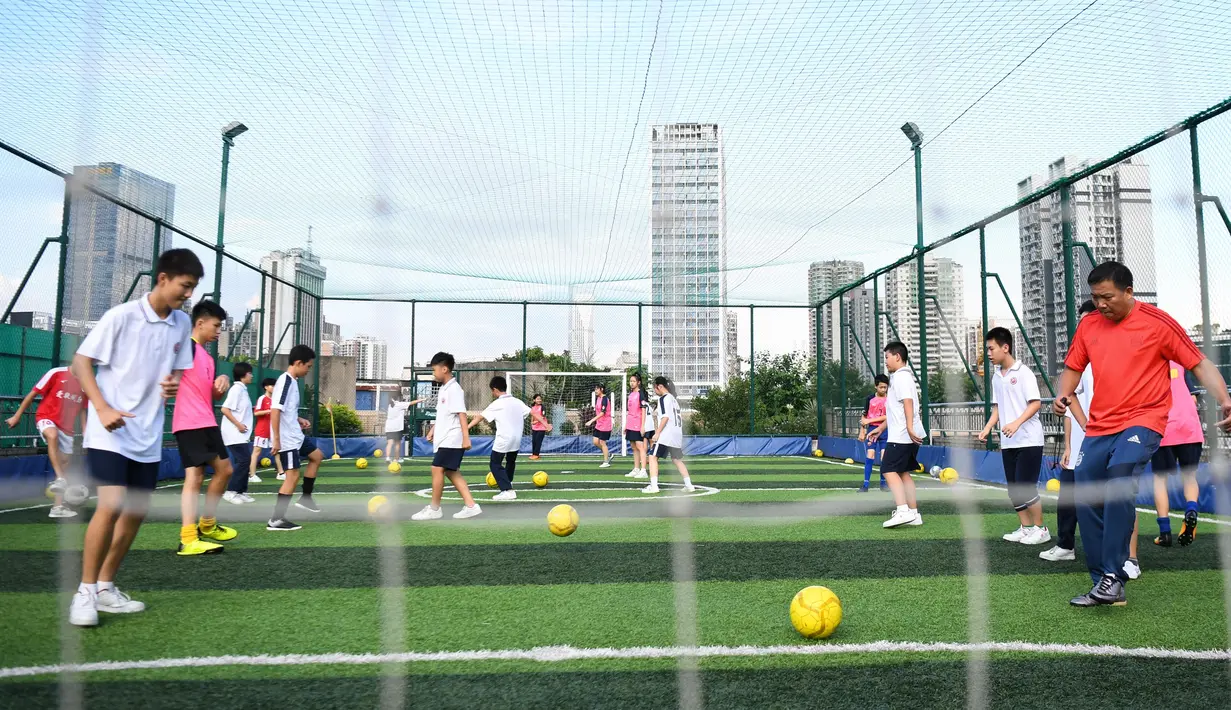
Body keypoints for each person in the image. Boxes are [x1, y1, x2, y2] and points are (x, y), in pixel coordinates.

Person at [1054, 261, 1231, 607]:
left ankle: (1113, 575)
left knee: (1119, 480)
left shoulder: (1157, 323)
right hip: (1100, 426)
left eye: (1107, 297)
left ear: (1128, 291)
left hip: (1144, 420)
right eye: (1095, 297)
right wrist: (1064, 395)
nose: (1101, 304)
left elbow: (1198, 363)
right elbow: (1073, 369)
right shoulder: (1089, 325)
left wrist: (1225, 399)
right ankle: (1103, 584)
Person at [68, 248, 199, 626]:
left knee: (134, 513)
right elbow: (81, 362)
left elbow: (173, 372)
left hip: (147, 434)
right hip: (110, 430)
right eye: (184, 286)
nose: (187, 294)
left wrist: (171, 385)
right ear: (162, 279)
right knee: (111, 504)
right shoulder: (121, 316)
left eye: (192, 288)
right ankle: (84, 592)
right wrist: (103, 407)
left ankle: (106, 587)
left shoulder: (179, 325)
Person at [172, 300, 238, 555]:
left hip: (207, 421)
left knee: (225, 470)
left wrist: (222, 381)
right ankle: (188, 538)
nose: (219, 331)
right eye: (216, 325)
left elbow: (211, 396)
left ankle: (207, 525)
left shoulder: (207, 358)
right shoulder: (184, 348)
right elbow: (166, 376)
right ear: (200, 323)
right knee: (195, 477)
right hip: (189, 423)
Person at [978, 327, 1049, 546]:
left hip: (1029, 440)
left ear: (1005, 347)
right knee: (1013, 488)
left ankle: (1041, 528)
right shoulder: (997, 377)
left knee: (1025, 487)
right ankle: (1026, 528)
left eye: (991, 349)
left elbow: (1035, 403)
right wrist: (989, 427)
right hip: (1009, 442)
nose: (988, 354)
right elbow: (998, 408)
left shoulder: (1023, 372)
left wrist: (1017, 423)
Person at [1041, 300, 1096, 563]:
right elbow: (1067, 398)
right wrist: (1069, 445)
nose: (1085, 324)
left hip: (1105, 443)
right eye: (1083, 320)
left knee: (1108, 502)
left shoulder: (1111, 357)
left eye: (1090, 318)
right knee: (1067, 500)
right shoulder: (1081, 360)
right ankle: (1065, 546)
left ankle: (1125, 558)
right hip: (1082, 445)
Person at [6, 365, 86, 518]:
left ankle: (57, 507)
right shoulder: (56, 373)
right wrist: (17, 416)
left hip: (68, 429)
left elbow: (83, 409)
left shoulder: (86, 382)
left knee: (65, 464)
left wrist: (86, 432)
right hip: (46, 417)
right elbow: (33, 393)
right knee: (52, 435)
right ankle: (61, 478)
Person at [412, 352, 482, 520]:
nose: (433, 373)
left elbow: (461, 414)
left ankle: (434, 509)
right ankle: (471, 506)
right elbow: (445, 414)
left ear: (444, 369)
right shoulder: (444, 389)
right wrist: (433, 429)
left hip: (453, 439)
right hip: (445, 438)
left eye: (434, 369)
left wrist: (466, 438)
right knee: (452, 472)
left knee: (437, 468)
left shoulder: (455, 389)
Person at [267, 345, 324, 531]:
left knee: (317, 456)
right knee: (292, 476)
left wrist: (298, 419)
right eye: (308, 366)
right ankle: (276, 519)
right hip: (287, 439)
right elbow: (275, 410)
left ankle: (305, 499)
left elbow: (285, 410)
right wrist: (276, 439)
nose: (309, 370)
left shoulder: (292, 381)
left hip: (295, 435)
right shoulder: (285, 381)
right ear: (298, 363)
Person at [468, 376, 551, 501]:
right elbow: (533, 413)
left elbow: (480, 417)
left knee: (495, 463)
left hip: (504, 438)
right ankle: (508, 483)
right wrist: (546, 424)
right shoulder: (517, 401)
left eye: (492, 391)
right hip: (517, 438)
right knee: (510, 461)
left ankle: (507, 490)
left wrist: (466, 428)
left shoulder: (497, 404)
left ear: (495, 389)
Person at [872, 341, 926, 528]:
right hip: (907, 434)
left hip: (903, 436)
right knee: (903, 473)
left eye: (887, 357)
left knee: (887, 469)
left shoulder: (901, 377)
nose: (885, 361)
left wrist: (909, 428)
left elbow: (908, 403)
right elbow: (896, 410)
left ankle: (902, 510)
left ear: (897, 357)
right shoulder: (901, 377)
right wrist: (881, 428)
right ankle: (913, 513)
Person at [1150, 361, 1204, 547]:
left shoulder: (1146, 363)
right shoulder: (1180, 364)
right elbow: (1194, 399)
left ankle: (1165, 533)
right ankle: (1191, 510)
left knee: (1159, 479)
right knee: (1189, 477)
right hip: (1189, 427)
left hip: (1163, 427)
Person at [641, 377, 695, 494]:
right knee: (676, 460)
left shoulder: (664, 398)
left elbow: (665, 417)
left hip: (667, 433)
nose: (655, 391)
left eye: (655, 388)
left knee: (652, 457)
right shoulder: (674, 400)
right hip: (676, 434)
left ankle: (654, 486)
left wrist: (657, 432)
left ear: (660, 386)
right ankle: (689, 485)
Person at [222, 362, 256, 505]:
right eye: (250, 373)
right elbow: (225, 409)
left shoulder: (243, 390)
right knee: (244, 461)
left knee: (245, 461)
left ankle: (241, 492)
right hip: (234, 433)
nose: (252, 375)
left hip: (241, 434)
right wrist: (238, 424)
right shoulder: (236, 389)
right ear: (243, 374)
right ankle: (230, 492)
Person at [857, 374, 889, 493]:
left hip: (885, 430)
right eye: (881, 387)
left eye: (885, 387)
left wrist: (869, 421)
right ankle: (865, 485)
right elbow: (864, 415)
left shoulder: (890, 399)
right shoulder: (869, 399)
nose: (883, 390)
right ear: (876, 386)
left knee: (884, 457)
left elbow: (888, 416)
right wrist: (862, 430)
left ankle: (883, 484)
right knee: (870, 455)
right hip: (871, 431)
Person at [250, 377, 278, 482]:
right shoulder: (262, 398)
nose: (274, 388)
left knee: (277, 451)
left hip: (272, 430)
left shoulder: (275, 400)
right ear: (266, 387)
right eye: (272, 385)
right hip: (262, 430)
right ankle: (252, 475)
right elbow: (256, 412)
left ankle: (281, 473)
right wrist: (269, 410)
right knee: (256, 452)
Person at [625, 373, 650, 479]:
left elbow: (644, 409)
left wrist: (643, 426)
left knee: (640, 447)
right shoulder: (630, 394)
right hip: (630, 423)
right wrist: (626, 425)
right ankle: (636, 468)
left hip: (638, 423)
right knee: (633, 447)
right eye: (630, 381)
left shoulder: (641, 394)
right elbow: (629, 411)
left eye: (634, 381)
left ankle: (643, 470)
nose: (631, 383)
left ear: (638, 382)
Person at [384, 395, 424, 463]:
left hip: (389, 427)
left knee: (389, 443)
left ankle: (387, 458)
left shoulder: (389, 406)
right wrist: (422, 399)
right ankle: (396, 459)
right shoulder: (399, 404)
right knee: (397, 444)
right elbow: (411, 403)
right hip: (397, 427)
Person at [584, 383, 614, 468]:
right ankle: (608, 454)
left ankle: (606, 461)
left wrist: (591, 421)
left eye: (597, 389)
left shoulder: (605, 399)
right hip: (599, 424)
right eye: (595, 389)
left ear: (602, 389)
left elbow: (602, 413)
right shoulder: (598, 399)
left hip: (605, 424)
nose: (595, 390)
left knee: (602, 442)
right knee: (595, 442)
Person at [528, 394, 550, 460]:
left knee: (538, 441)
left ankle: (536, 454)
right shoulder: (533, 407)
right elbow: (532, 416)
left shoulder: (543, 407)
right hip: (535, 427)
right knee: (534, 441)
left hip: (542, 427)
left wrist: (536, 421)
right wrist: (532, 422)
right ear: (534, 400)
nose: (539, 400)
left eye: (540, 399)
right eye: (538, 399)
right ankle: (533, 454)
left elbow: (543, 416)